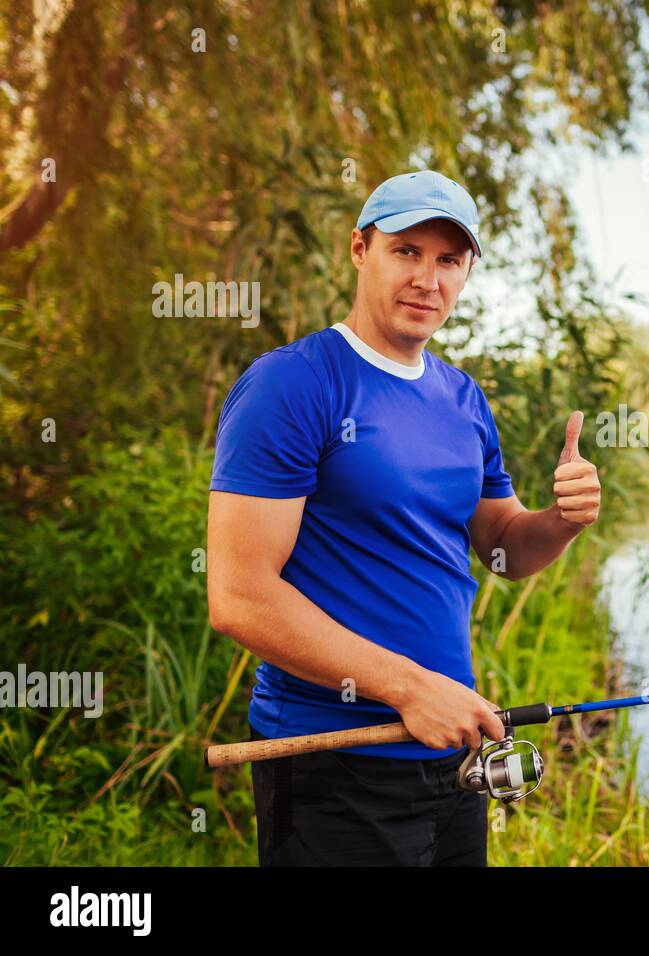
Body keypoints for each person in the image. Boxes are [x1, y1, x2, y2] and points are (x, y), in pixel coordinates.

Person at [206, 170, 601, 866]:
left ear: (468, 271)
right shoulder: (293, 383)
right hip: (335, 763)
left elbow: (504, 550)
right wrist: (409, 689)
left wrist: (562, 520)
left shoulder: (461, 397)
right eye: (407, 251)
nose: (428, 278)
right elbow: (239, 597)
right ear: (360, 249)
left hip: (451, 757)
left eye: (449, 260)